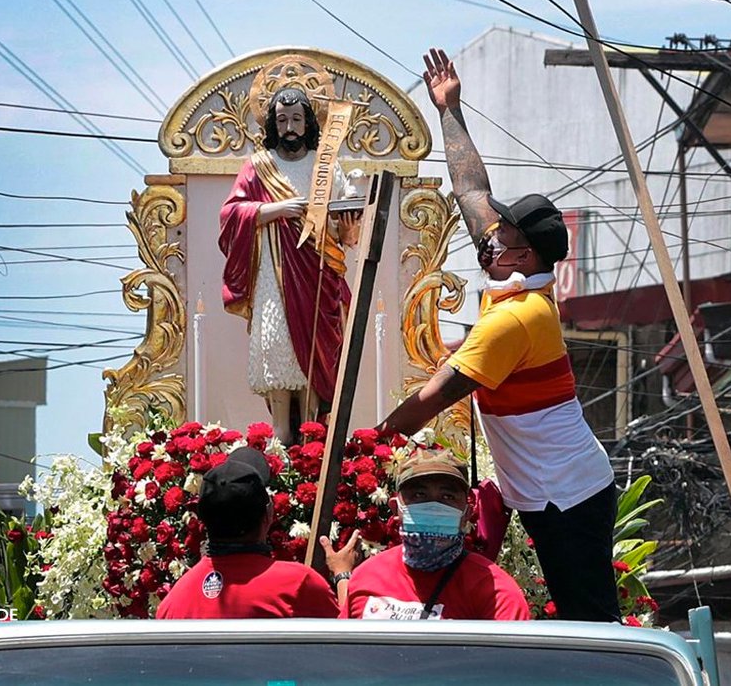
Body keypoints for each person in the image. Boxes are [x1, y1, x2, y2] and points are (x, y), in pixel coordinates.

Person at [374, 49, 620, 623]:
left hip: (566, 495)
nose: (488, 238)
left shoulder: (515, 318)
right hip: (548, 488)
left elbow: (432, 400)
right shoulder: (517, 281)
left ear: (525, 253)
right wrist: (449, 108)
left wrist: (365, 446)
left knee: (592, 623)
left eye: (501, 235)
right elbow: (469, 189)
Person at [219, 87, 360, 444]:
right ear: (272, 124)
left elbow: (350, 235)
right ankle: (281, 436)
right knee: (278, 344)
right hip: (275, 276)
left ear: (309, 122)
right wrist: (276, 210)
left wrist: (349, 219)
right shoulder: (258, 166)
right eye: (282, 120)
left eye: (297, 119)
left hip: (320, 274)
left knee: (317, 356)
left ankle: (314, 438)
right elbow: (230, 214)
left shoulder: (326, 164)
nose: (290, 127)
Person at [333, 449, 530, 621]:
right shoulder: (366, 577)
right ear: (396, 508)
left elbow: (509, 662)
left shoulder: (495, 592)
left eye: (447, 497)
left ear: (467, 514)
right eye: (419, 495)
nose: (434, 507)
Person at [156, 447, 339, 619]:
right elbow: (347, 646)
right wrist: (342, 576)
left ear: (202, 522)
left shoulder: (172, 603)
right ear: (268, 515)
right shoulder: (299, 586)